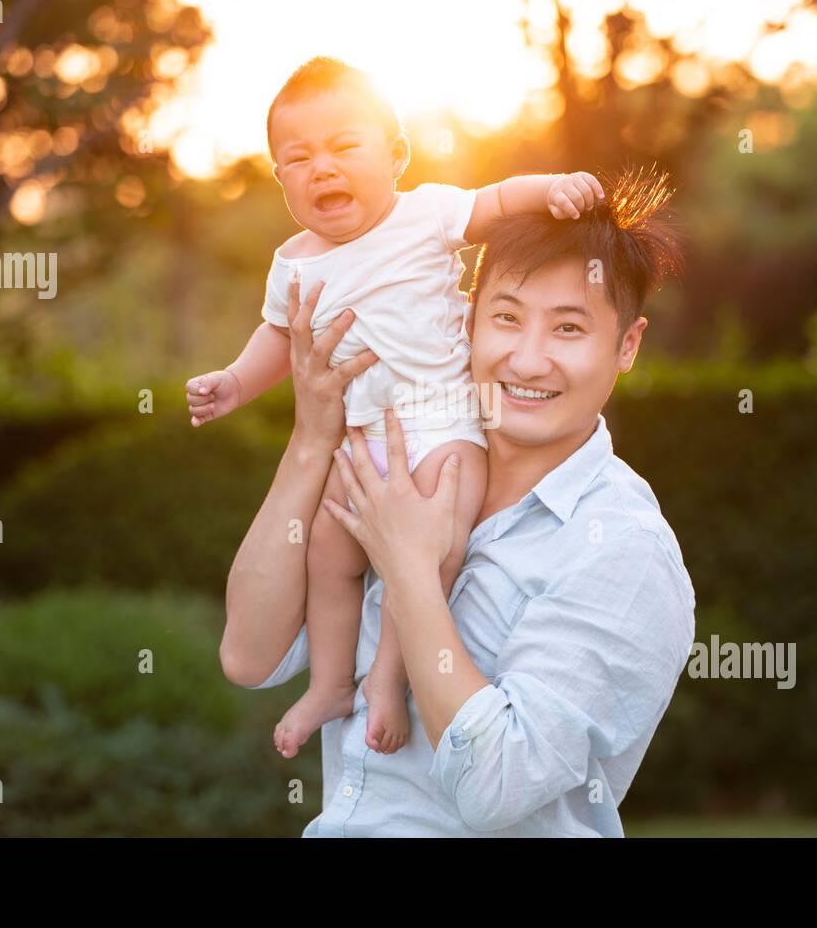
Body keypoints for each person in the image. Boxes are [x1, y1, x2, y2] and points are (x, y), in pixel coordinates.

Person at [220, 167, 696, 836]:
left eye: (568, 329)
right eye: (506, 317)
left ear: (627, 346)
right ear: (468, 317)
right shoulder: (402, 460)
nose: (528, 361)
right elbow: (250, 654)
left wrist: (409, 567)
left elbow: (496, 785)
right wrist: (310, 439)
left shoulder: (621, 546)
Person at [185, 56, 605, 759]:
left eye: (345, 147)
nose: (322, 168)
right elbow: (278, 336)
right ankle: (330, 682)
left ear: (397, 155)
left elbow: (498, 199)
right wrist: (233, 381)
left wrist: (554, 188)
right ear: (280, 178)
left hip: (443, 422)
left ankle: (387, 677)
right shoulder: (293, 261)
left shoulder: (425, 213)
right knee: (324, 548)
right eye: (299, 157)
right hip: (358, 440)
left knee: (437, 544)